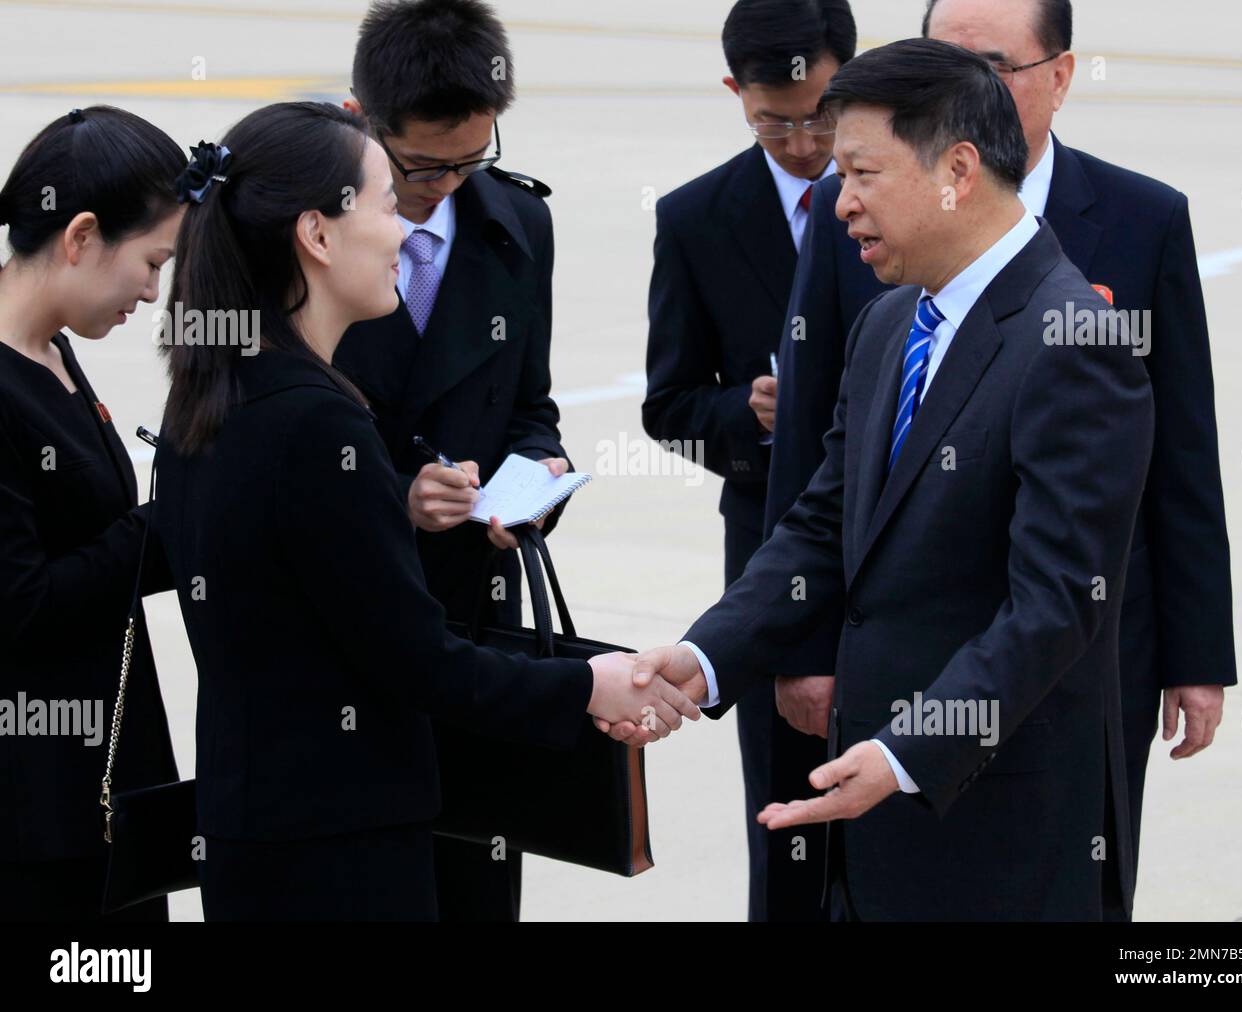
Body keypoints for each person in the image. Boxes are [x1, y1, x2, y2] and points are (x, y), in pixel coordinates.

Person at [619, 38, 1155, 921]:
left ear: (957, 169)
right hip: (868, 830)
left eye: (862, 173)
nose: (841, 204)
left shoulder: (1074, 341)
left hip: (993, 835)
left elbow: (1056, 604)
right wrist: (705, 658)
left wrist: (909, 751)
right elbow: (824, 524)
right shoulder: (889, 323)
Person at [153, 101, 698, 922]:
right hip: (340, 851)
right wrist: (589, 682)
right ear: (318, 234)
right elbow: (416, 660)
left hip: (259, 830)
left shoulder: (219, 388)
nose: (406, 234)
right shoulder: (315, 421)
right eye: (383, 205)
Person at [762, 0, 1235, 920]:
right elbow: (825, 470)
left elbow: (1185, 455)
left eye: (991, 66)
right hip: (882, 695)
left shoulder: (1140, 219)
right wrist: (783, 642)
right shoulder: (870, 253)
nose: (962, 84)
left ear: (1059, 75)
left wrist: (1198, 650)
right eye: (943, 59)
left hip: (1075, 665)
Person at [336, 0, 572, 921]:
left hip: (477, 617)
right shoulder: (301, 228)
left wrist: (537, 481)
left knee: (475, 879)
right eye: (423, 166)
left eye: (472, 160)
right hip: (351, 624)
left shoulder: (515, 227)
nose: (445, 186)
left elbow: (531, 407)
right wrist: (396, 497)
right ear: (363, 123)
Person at [641, 0, 856, 924]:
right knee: (789, 808)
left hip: (910, 536)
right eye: (776, 120)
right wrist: (750, 412)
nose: (805, 142)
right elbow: (669, 407)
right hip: (775, 549)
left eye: (822, 114)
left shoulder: (903, 191)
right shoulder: (696, 218)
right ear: (734, 93)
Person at [0, 106, 184, 921]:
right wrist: (166, 520)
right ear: (80, 236)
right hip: (37, 822)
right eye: (151, 261)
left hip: (102, 785)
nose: (153, 291)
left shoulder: (52, 348)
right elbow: (22, 603)